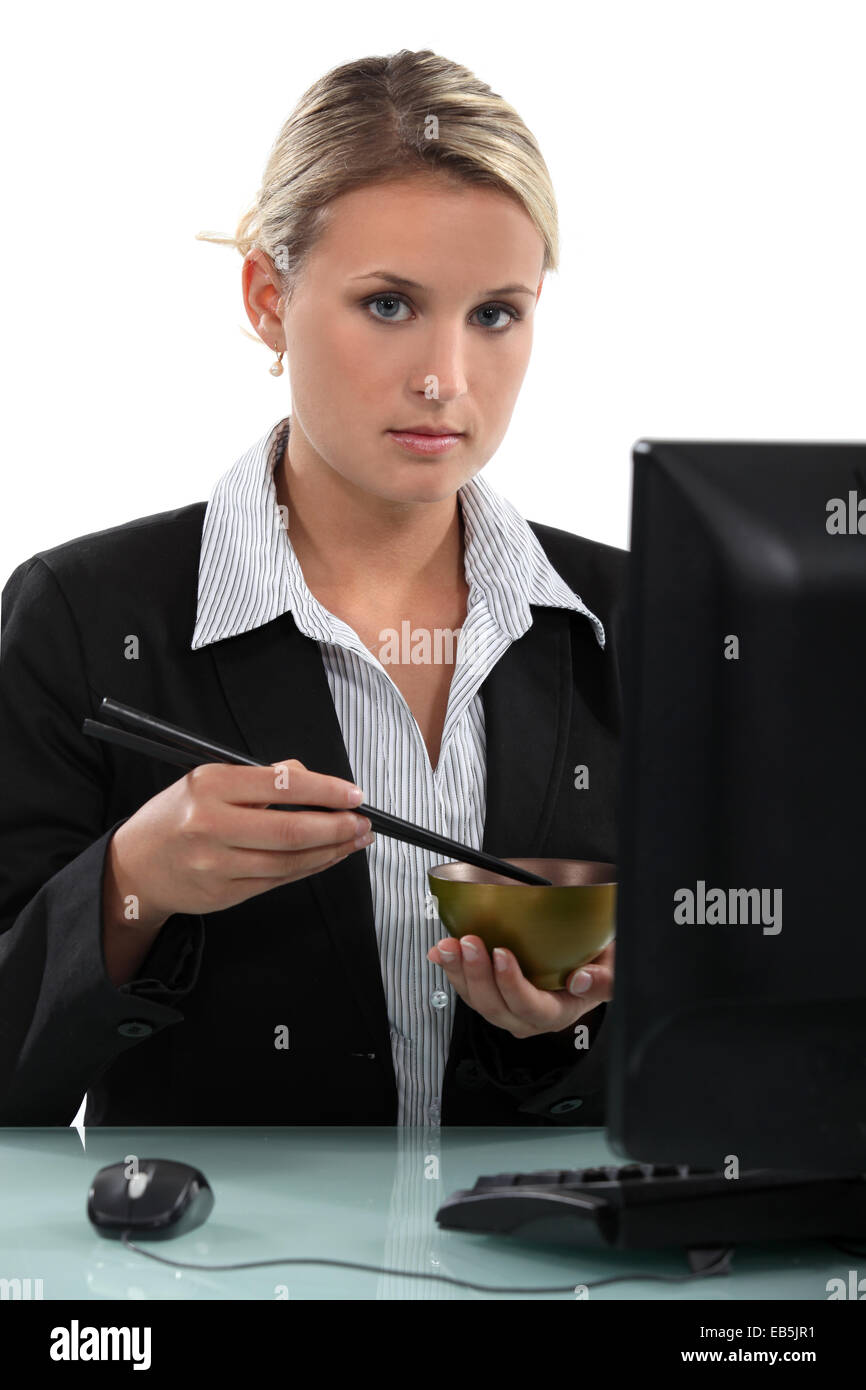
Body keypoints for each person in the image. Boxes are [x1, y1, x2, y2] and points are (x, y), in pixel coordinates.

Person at [0, 48, 625, 1127]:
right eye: (388, 304)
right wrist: (132, 881)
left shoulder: (639, 619)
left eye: (494, 314)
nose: (446, 378)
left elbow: (745, 1056)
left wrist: (564, 1027)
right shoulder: (82, 616)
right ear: (265, 296)